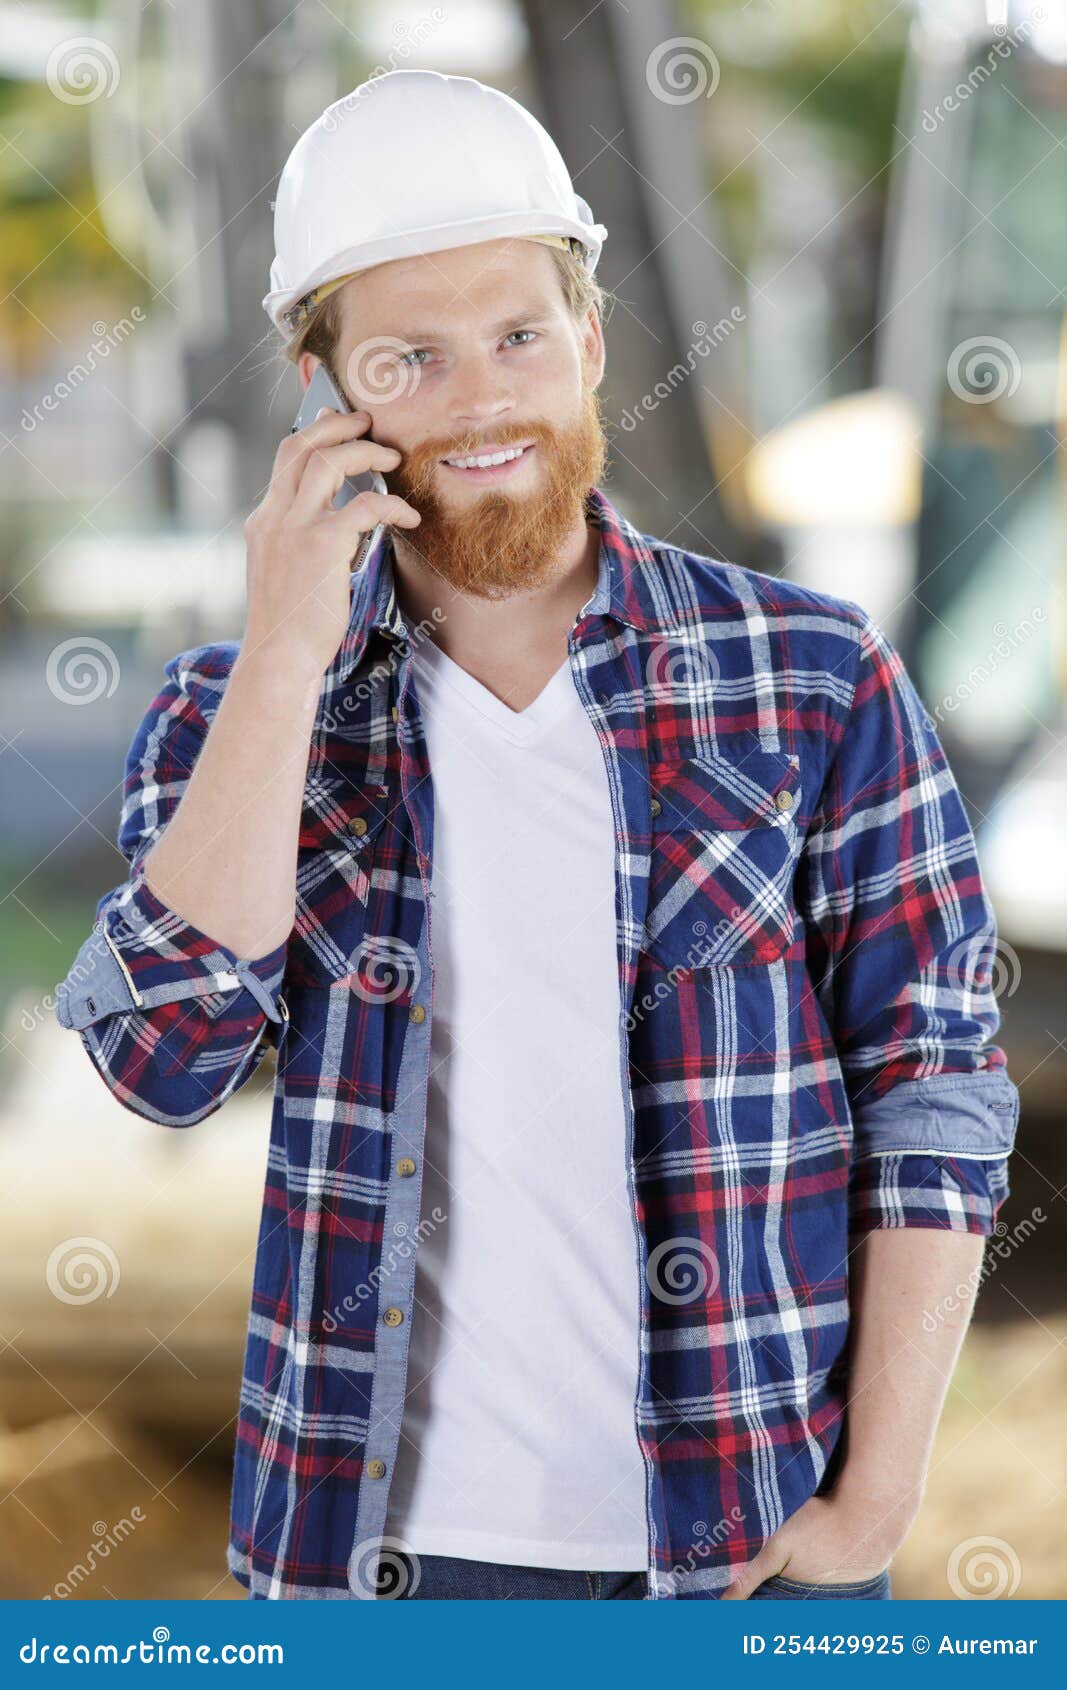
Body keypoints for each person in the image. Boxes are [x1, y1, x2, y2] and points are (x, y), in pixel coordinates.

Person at [55, 70, 1019, 1603]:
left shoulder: (814, 680)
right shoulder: (237, 711)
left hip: (745, 1557)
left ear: (589, 335)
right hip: (366, 1566)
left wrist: (873, 1506)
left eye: (518, 334)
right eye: (408, 359)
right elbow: (159, 1059)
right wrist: (291, 655)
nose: (485, 396)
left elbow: (934, 1092)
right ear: (327, 395)